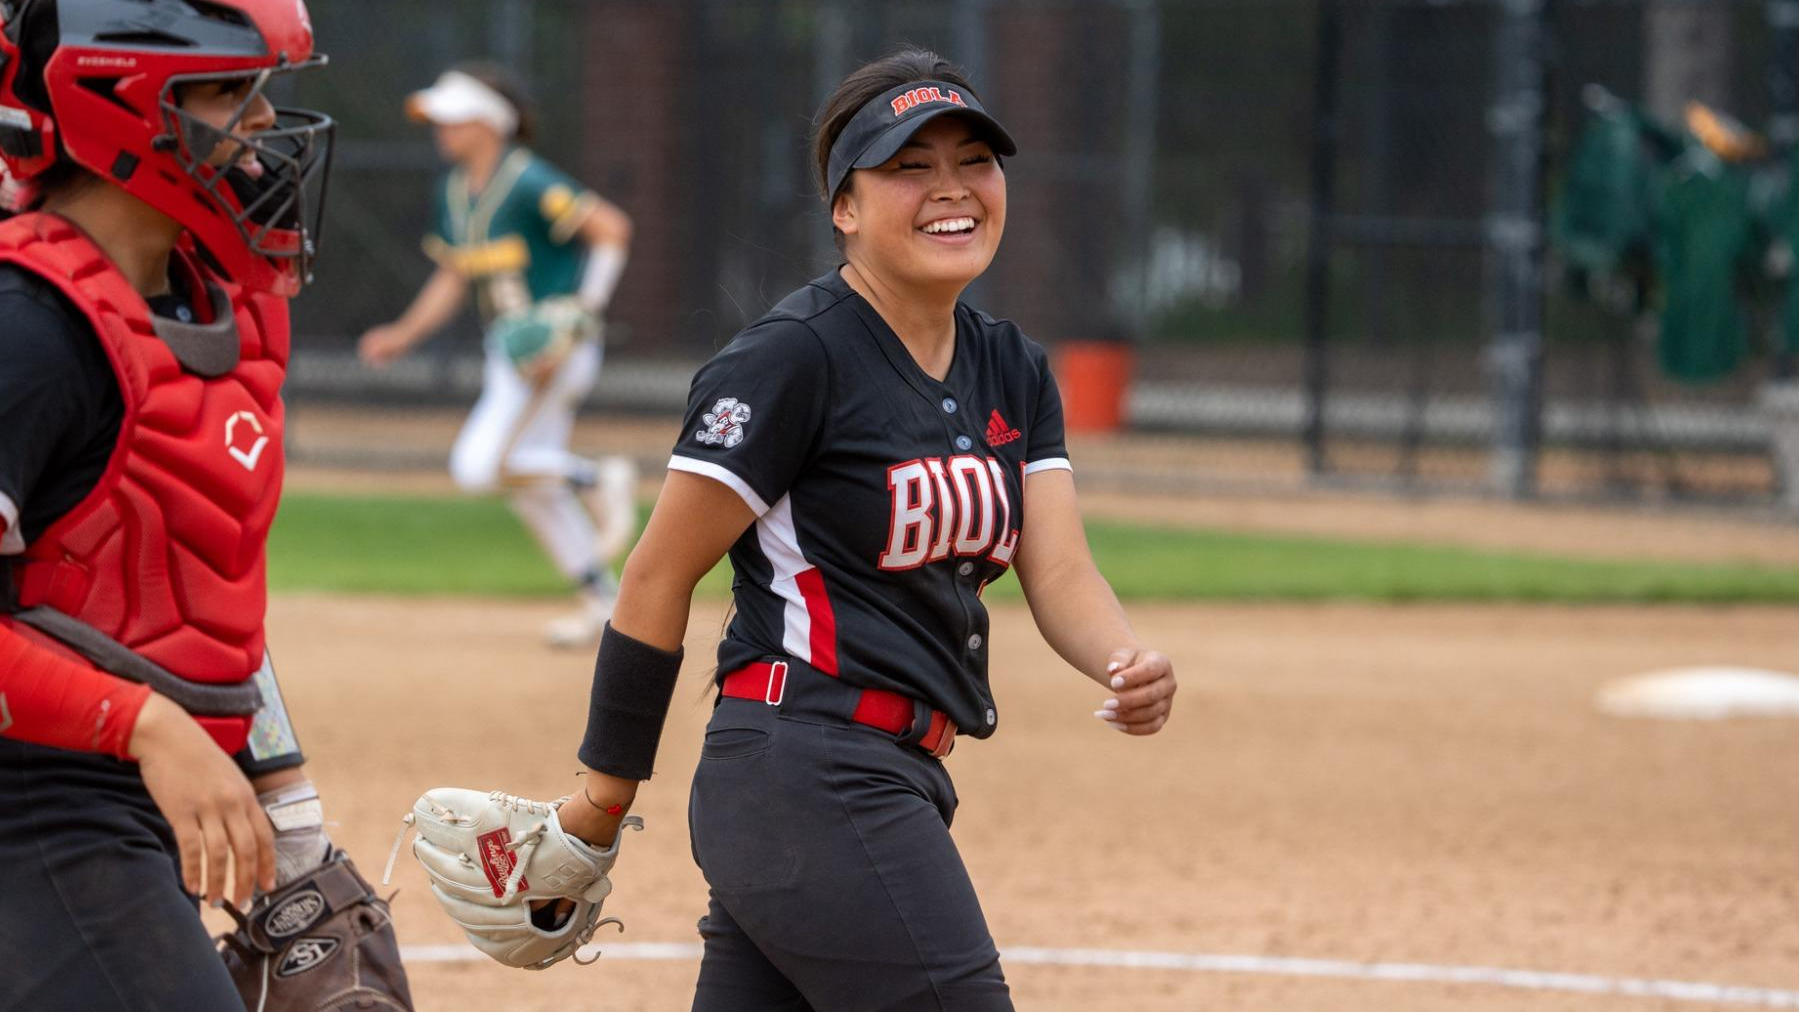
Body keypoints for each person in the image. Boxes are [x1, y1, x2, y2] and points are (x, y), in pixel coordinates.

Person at [558, 47, 1177, 1010]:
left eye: (974, 161)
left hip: (880, 778)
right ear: (843, 207)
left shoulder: (1011, 367)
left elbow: (1058, 571)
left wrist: (1122, 659)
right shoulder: (791, 360)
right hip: (805, 772)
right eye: (908, 166)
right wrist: (601, 800)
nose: (951, 188)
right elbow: (656, 575)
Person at [0, 1, 412, 1009]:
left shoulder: (211, 304)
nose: (265, 123)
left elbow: (208, 590)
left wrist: (290, 808)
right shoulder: (30, 331)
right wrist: (145, 723)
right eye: (230, 92)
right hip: (36, 796)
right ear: (118, 111)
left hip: (133, 785)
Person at [358, 63, 638, 649]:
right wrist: (403, 334)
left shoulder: (528, 180)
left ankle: (597, 477)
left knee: (478, 467)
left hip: (552, 350)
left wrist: (580, 315)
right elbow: (454, 275)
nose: (440, 128)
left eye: (451, 118)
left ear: (488, 122)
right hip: (507, 351)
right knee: (528, 485)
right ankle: (604, 605)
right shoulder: (455, 191)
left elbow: (612, 230)